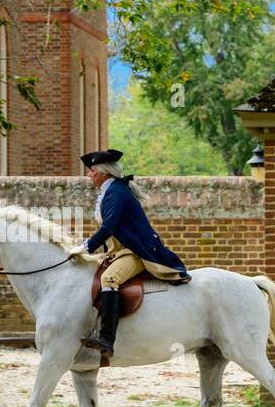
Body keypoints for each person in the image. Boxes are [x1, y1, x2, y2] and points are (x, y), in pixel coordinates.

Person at [67, 149, 191, 355]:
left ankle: (107, 339)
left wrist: (86, 247)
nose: (89, 175)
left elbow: (110, 227)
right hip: (120, 251)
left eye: (92, 171)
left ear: (103, 172)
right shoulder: (111, 190)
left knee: (109, 279)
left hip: (135, 251)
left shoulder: (116, 191)